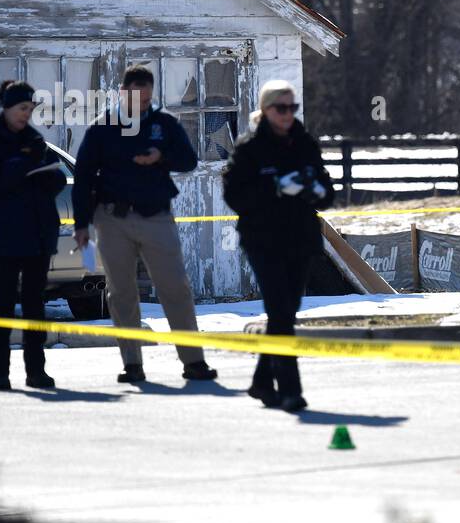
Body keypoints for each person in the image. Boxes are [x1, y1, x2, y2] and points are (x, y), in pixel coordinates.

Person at [72, 65, 218, 384]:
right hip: (112, 219)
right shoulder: (102, 128)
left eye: (147, 99)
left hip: (156, 216)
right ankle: (132, 365)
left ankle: (194, 361)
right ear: (123, 93)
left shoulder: (164, 123)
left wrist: (160, 156)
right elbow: (82, 177)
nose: (142, 104)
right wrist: (81, 224)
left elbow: (189, 160)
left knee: (175, 287)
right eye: (137, 98)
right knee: (121, 293)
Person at [222, 80, 335, 412]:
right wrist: (275, 187)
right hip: (264, 240)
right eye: (280, 108)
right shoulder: (250, 148)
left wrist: (317, 191)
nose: (287, 114)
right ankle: (290, 391)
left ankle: (261, 381)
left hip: (300, 238)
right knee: (280, 311)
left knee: (286, 312)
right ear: (266, 109)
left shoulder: (304, 142)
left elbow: (327, 191)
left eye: (292, 108)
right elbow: (235, 196)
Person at [0, 80, 68, 391]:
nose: (26, 114)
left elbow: (56, 178)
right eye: (22, 108)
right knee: (2, 302)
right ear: (8, 107)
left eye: (30, 109)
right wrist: (25, 166)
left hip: (38, 233)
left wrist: (38, 173)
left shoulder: (34, 139)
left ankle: (36, 371)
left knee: (34, 304)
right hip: (6, 234)